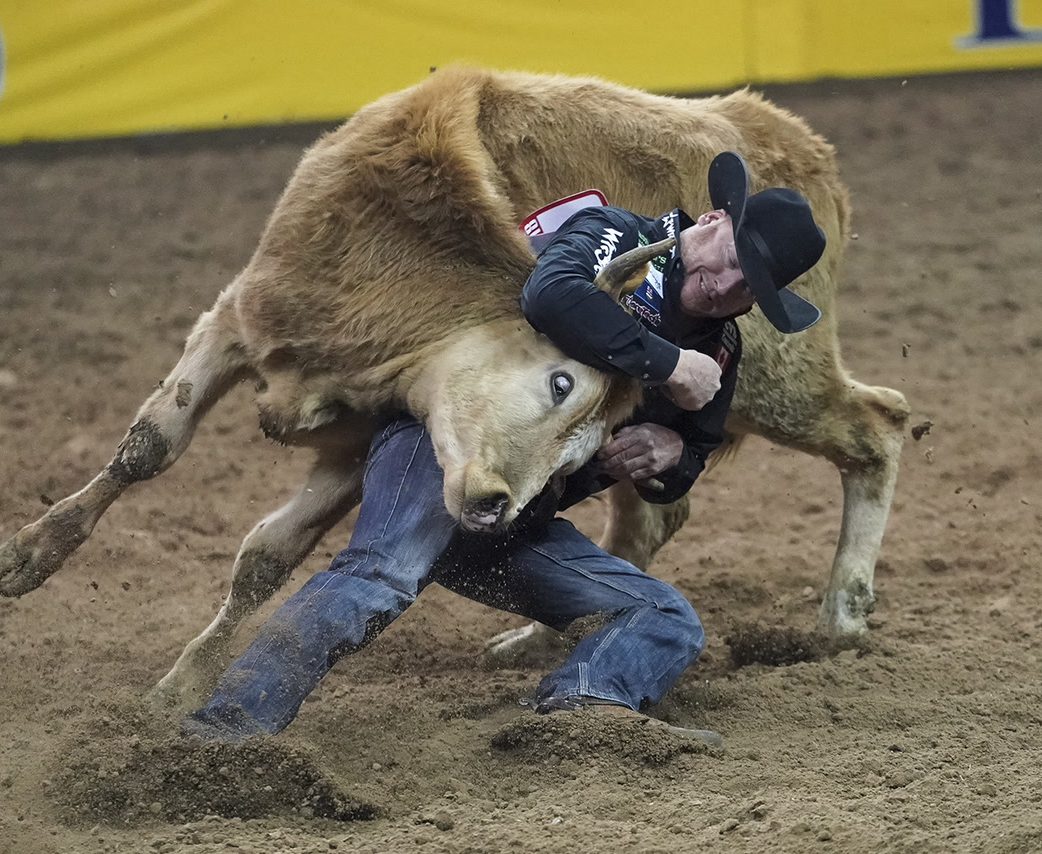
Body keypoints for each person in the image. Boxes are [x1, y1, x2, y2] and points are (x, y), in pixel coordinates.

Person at [184, 152, 826, 741]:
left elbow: (689, 457)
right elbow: (551, 294)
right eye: (732, 258)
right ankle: (225, 735)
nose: (724, 285)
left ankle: (581, 715)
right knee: (378, 579)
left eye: (748, 288)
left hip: (518, 517)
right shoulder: (619, 233)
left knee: (666, 619)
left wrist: (666, 455)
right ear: (711, 219)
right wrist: (665, 364)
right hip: (445, 452)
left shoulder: (718, 349)